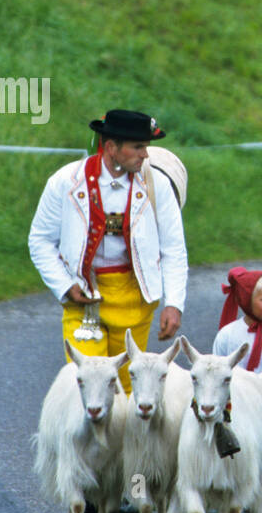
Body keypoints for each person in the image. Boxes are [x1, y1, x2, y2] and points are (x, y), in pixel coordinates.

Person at [28, 109, 187, 391]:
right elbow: (40, 240)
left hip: (134, 299)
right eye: (138, 147)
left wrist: (174, 303)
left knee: (127, 390)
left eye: (146, 147)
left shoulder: (157, 185)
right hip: (83, 299)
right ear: (111, 147)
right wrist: (65, 286)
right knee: (90, 385)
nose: (146, 155)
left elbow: (173, 248)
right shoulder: (66, 182)